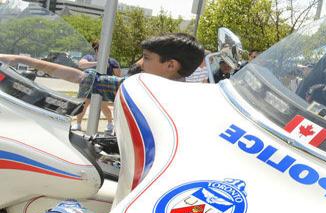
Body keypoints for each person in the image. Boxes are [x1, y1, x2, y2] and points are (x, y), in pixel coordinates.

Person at [0, 33, 205, 106]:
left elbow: (79, 77)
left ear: (170, 65)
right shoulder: (138, 87)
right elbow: (83, 78)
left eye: (147, 58)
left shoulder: (150, 91)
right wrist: (20, 60)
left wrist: (19, 59)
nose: (140, 63)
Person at [74, 41, 122, 131]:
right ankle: (78, 124)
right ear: (96, 50)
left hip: (103, 87)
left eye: (107, 50)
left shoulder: (112, 61)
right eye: (102, 49)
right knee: (83, 105)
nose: (105, 51)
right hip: (87, 86)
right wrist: (97, 63)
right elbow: (81, 64)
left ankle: (110, 124)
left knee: (103, 106)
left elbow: (117, 76)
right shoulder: (89, 57)